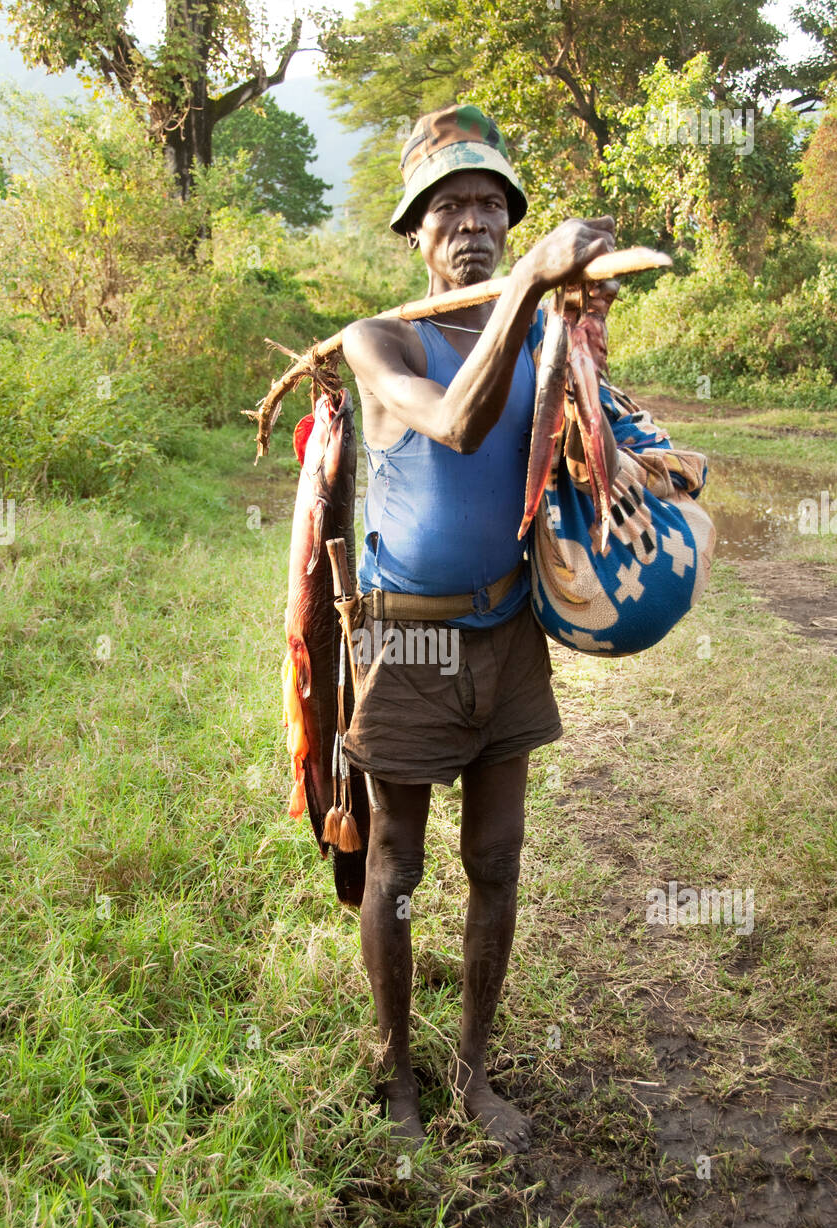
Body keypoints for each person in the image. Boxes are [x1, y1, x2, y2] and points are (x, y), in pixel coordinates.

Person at [340, 106, 617, 1152]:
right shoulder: (381, 341)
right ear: (414, 230)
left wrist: (570, 313)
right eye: (448, 205)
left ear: (509, 221)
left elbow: (586, 456)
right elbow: (455, 424)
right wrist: (523, 294)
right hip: (405, 639)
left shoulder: (544, 333)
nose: (471, 221)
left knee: (495, 861)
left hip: (505, 634)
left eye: (490, 204)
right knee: (397, 869)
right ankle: (396, 1073)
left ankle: (470, 1073)